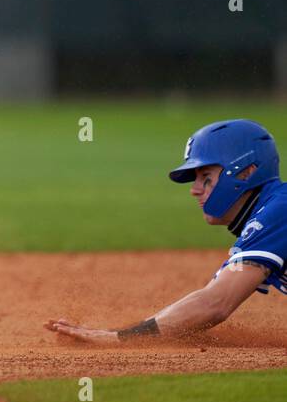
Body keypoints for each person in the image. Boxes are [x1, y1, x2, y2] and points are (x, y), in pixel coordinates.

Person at [46, 119, 285, 343]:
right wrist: (119, 334)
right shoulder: (272, 213)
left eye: (206, 177)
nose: (195, 190)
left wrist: (118, 338)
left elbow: (215, 304)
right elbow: (206, 301)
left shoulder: (278, 210)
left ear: (246, 172)